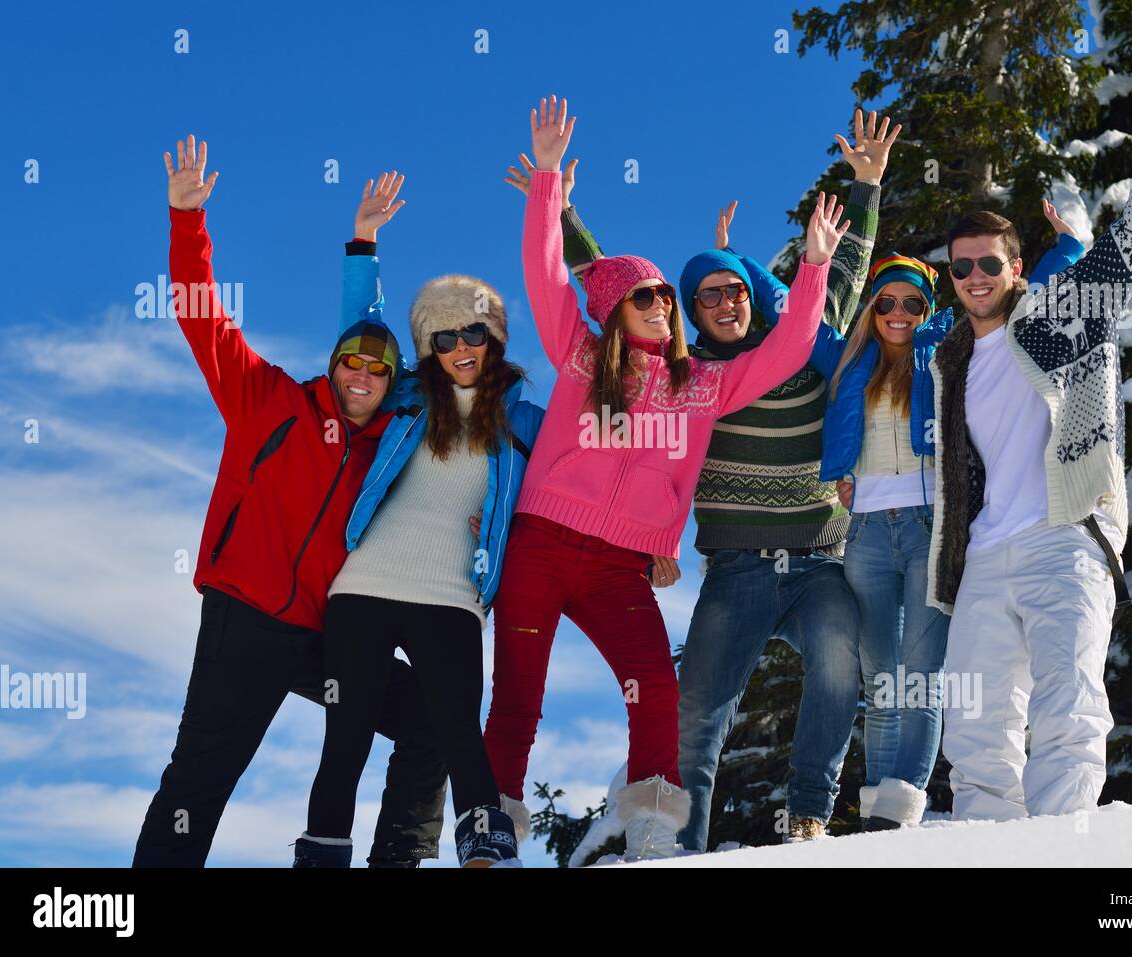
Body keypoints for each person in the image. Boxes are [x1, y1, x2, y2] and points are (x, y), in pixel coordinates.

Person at [508, 108, 899, 848]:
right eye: (701, 296)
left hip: (805, 557)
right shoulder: (638, 368)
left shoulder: (757, 364)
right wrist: (556, 199)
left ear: (753, 295)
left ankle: (794, 813)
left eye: (734, 290)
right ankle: (649, 847)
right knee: (681, 712)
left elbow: (818, 309)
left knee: (830, 663)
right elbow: (592, 287)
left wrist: (842, 223)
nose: (721, 303)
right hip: (711, 562)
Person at [134, 141, 447, 867]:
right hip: (243, 619)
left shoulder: (390, 452)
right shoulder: (266, 398)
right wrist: (187, 218)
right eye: (352, 360)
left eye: (379, 366)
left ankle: (396, 857)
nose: (363, 373)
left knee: (434, 712)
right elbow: (200, 314)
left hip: (321, 634)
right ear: (333, 363)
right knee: (201, 776)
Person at [927, 65, 1132, 821]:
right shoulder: (947, 359)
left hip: (1064, 536)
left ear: (1018, 268)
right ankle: (987, 846)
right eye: (962, 266)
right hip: (982, 555)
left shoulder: (1061, 316)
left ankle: (1057, 849)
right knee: (976, 727)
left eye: (990, 263)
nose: (975, 276)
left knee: (1068, 707)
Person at [294, 175, 545, 868]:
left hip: (451, 596)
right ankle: (320, 858)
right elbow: (361, 325)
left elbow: (580, 477)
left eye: (474, 332)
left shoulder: (525, 421)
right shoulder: (405, 397)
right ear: (427, 347)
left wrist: (647, 543)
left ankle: (486, 855)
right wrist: (363, 241)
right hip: (366, 585)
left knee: (459, 730)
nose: (460, 345)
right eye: (443, 336)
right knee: (343, 738)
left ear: (493, 337)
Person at [812, 200, 1082, 830]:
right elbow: (791, 319)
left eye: (912, 303)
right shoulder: (848, 364)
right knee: (882, 672)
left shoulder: (945, 350)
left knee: (924, 668)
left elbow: (1021, 293)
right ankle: (877, 806)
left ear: (929, 310)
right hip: (866, 533)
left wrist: (1067, 247)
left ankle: (904, 803)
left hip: (930, 526)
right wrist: (805, 263)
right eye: (886, 303)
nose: (899, 313)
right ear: (872, 309)